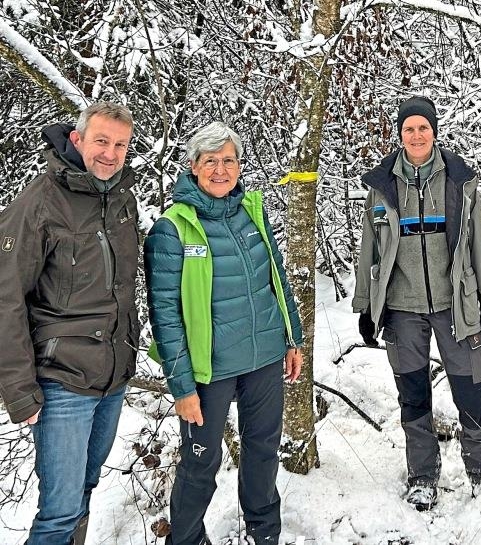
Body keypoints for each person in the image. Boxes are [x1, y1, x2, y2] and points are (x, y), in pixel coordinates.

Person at [144, 122, 303, 545]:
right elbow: (165, 315)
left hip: (265, 358)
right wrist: (181, 387)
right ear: (194, 167)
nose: (220, 170)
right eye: (211, 161)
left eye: (228, 160)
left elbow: (276, 275)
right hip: (207, 372)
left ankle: (264, 533)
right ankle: (187, 538)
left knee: (263, 453)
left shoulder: (253, 211)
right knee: (200, 464)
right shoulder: (172, 228)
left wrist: (292, 338)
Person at [0, 102, 139, 545]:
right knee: (59, 512)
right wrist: (20, 391)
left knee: (83, 493)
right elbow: (5, 299)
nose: (110, 153)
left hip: (113, 378)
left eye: (120, 144)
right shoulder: (39, 202)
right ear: (77, 140)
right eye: (101, 140)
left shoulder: (121, 198)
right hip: (62, 383)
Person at [353, 96, 481, 511]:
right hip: (402, 309)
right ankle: (421, 475)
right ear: (399, 135)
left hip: (457, 305)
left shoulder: (460, 180)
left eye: (423, 128)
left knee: (472, 388)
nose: (416, 136)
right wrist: (367, 305)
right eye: (408, 129)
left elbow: (479, 245)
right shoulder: (383, 187)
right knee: (413, 394)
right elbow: (371, 250)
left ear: (434, 131)